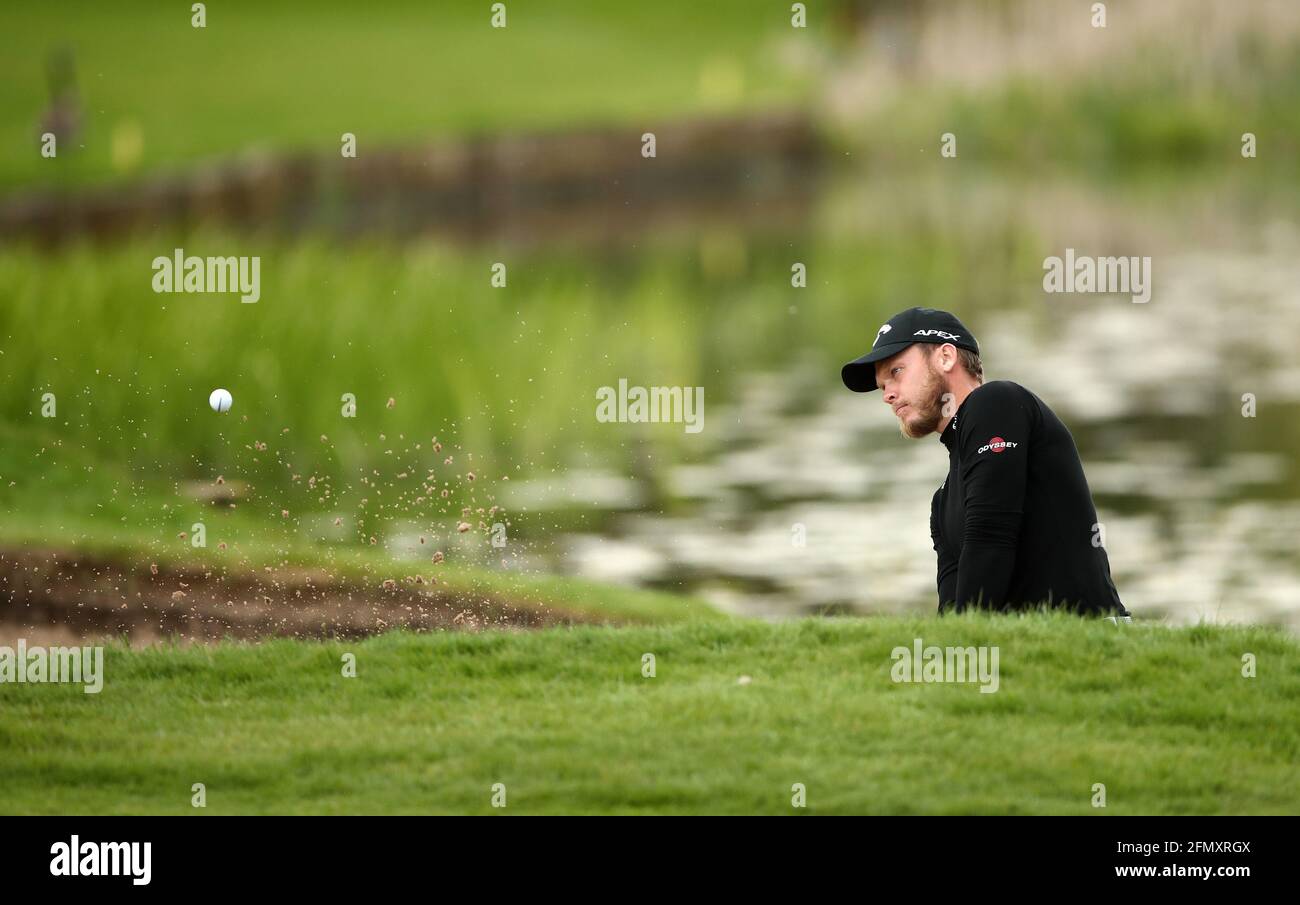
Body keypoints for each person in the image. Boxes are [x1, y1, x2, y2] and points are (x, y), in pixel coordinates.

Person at [842, 306, 1131, 618]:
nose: (887, 394)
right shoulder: (942, 501)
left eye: (896, 372)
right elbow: (954, 611)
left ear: (945, 357)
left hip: (1092, 642)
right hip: (1019, 654)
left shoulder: (996, 402)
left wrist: (964, 647)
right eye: (883, 385)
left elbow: (991, 536)